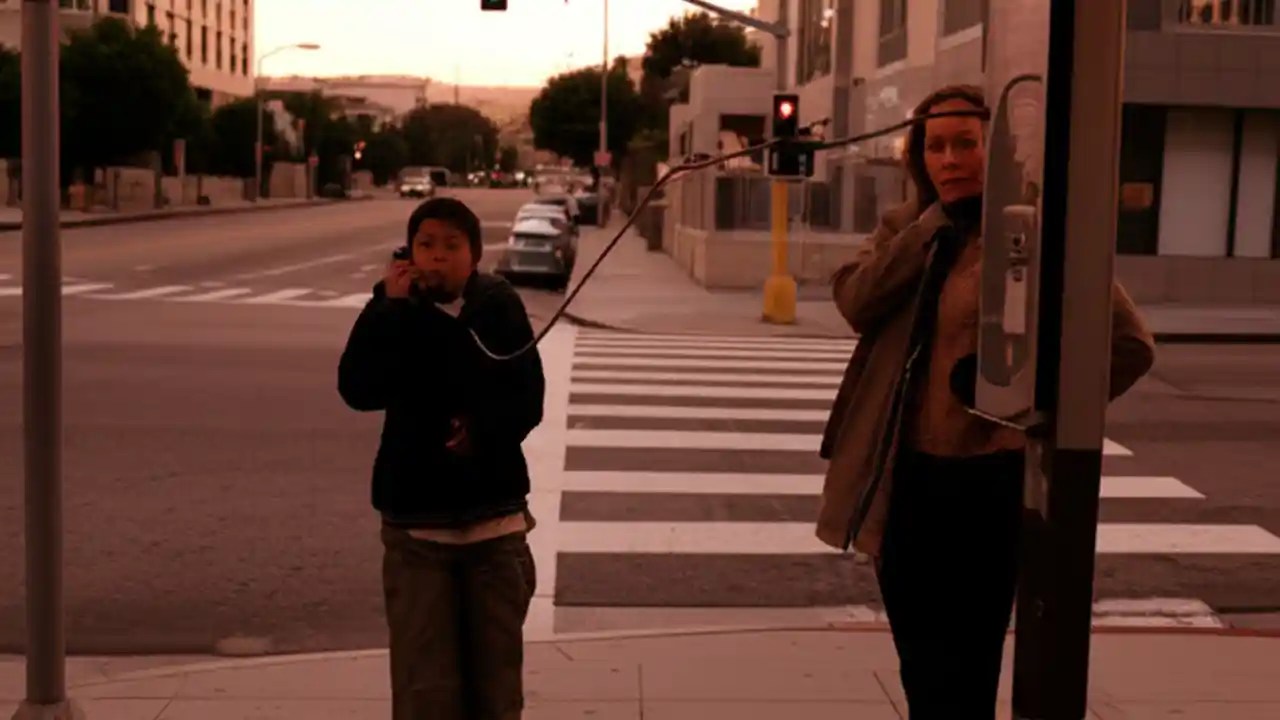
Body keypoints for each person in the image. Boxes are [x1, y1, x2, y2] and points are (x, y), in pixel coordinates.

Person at [815, 85, 1156, 718]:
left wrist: (1042, 413)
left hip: (987, 485)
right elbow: (856, 302)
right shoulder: (907, 228)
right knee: (919, 668)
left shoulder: (1033, 235)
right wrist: (930, 227)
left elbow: (1130, 345)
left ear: (996, 149)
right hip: (905, 480)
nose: (950, 159)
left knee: (966, 672)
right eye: (935, 146)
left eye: (966, 143)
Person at [338, 197, 545, 720]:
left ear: (474, 255)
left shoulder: (498, 308)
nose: (438, 257)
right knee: (424, 693)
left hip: (493, 533)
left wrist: (480, 431)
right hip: (417, 534)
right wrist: (389, 307)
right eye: (426, 244)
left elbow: (527, 399)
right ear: (409, 252)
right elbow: (357, 388)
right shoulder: (393, 310)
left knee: (495, 695)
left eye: (452, 246)